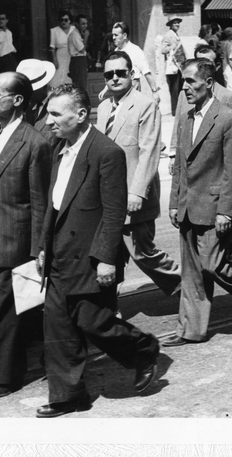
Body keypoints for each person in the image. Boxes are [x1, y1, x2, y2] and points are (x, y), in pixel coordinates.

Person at [36, 84, 159, 418]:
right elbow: (53, 205)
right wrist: (43, 248)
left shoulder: (106, 152)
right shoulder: (58, 148)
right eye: (48, 113)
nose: (49, 121)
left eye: (56, 114)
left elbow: (113, 212)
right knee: (58, 327)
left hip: (90, 255)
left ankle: (142, 349)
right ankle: (69, 396)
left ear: (80, 115)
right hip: (60, 252)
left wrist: (106, 259)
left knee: (94, 321)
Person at [164, 58, 232, 347]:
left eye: (190, 81)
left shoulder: (228, 118)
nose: (185, 87)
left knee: (213, 266)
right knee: (192, 272)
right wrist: (174, 202)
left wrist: (227, 212)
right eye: (183, 82)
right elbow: (180, 166)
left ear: (208, 83)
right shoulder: (186, 118)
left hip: (214, 208)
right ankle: (191, 330)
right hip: (187, 207)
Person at [0, 71, 51, 399]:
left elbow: (40, 202)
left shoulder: (34, 142)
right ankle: (40, 344)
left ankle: (6, 378)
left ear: (18, 100)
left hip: (15, 242)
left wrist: (38, 250)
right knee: (1, 302)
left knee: (5, 313)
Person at [96, 51, 181, 301]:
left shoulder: (145, 105)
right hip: (108, 196)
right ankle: (107, 307)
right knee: (108, 254)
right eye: (109, 74)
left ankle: (187, 284)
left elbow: (149, 151)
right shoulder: (103, 107)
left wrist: (137, 191)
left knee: (142, 252)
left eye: (120, 73)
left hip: (135, 196)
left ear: (132, 74)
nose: (115, 78)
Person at [168, 45, 232, 175]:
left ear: (217, 66)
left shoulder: (228, 98)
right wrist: (173, 154)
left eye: (206, 63)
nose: (201, 67)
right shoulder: (184, 95)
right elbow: (177, 126)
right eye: (198, 61)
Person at [104, 22, 161, 104]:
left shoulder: (135, 50)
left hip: (133, 87)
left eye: (116, 35)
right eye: (113, 35)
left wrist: (154, 91)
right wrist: (105, 89)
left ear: (124, 35)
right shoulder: (116, 51)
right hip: (119, 87)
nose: (113, 38)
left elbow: (147, 73)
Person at [18, 58, 57, 143]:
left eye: (30, 91)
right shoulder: (30, 106)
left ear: (43, 87)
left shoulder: (58, 104)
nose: (26, 95)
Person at [161, 17, 184, 113]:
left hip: (179, 66)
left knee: (179, 88)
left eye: (178, 23)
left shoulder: (176, 35)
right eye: (175, 23)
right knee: (174, 89)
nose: (177, 24)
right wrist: (172, 47)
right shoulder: (168, 35)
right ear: (170, 25)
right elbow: (163, 50)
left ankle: (179, 109)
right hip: (172, 66)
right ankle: (175, 110)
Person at [48, 10, 73, 89]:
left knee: (70, 74)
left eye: (66, 20)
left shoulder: (74, 29)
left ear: (70, 21)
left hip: (72, 55)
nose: (63, 22)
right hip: (60, 55)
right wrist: (55, 60)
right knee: (59, 74)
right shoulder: (54, 30)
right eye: (61, 20)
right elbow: (52, 47)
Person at [67, 14, 89, 91]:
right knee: (80, 86)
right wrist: (86, 37)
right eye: (83, 24)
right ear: (77, 24)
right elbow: (82, 49)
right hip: (78, 61)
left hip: (80, 60)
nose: (85, 26)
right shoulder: (75, 35)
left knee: (81, 85)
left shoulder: (78, 34)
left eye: (86, 23)